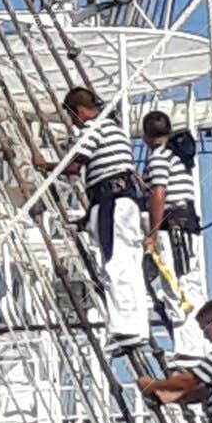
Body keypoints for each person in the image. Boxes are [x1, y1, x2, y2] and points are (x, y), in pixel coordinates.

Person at [62, 86, 148, 353]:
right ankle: (137, 327)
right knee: (131, 266)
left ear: (77, 112)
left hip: (110, 202)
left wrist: (46, 167)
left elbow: (75, 166)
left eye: (71, 117)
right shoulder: (115, 128)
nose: (73, 123)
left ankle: (125, 328)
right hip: (126, 202)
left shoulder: (92, 127)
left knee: (114, 264)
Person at [140, 111, 208, 359]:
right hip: (188, 226)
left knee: (175, 287)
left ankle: (189, 348)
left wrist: (153, 233)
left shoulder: (158, 157)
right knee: (190, 284)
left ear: (146, 136)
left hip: (173, 229)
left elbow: (159, 194)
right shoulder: (178, 156)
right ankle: (201, 345)